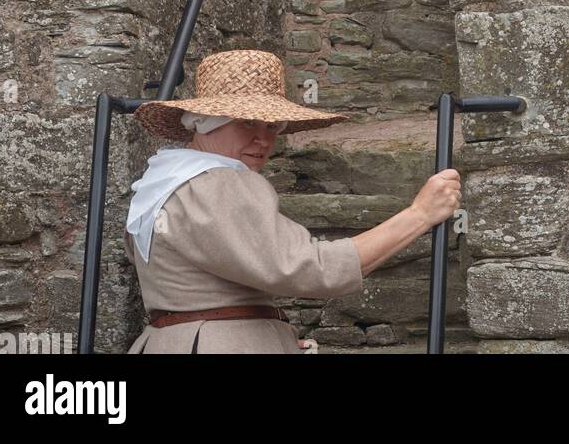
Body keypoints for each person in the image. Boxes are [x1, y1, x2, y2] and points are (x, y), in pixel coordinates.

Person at [124, 48, 461, 353]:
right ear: (205, 124)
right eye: (246, 122)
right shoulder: (218, 181)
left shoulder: (162, 183)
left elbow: (202, 292)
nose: (264, 138)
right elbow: (309, 268)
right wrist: (419, 214)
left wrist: (269, 335)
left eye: (273, 125)